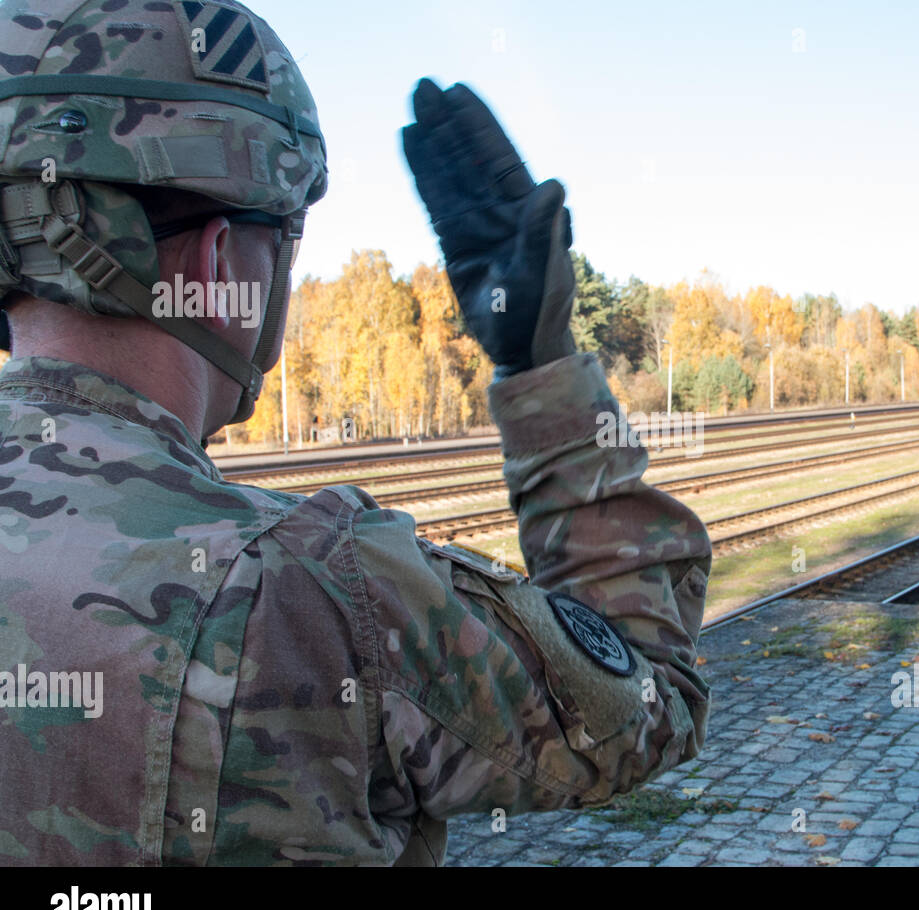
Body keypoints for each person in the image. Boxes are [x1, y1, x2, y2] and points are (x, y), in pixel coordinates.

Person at [0, 0, 710, 865]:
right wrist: (542, 361)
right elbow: (642, 703)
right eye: (285, 238)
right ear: (222, 263)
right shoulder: (324, 592)